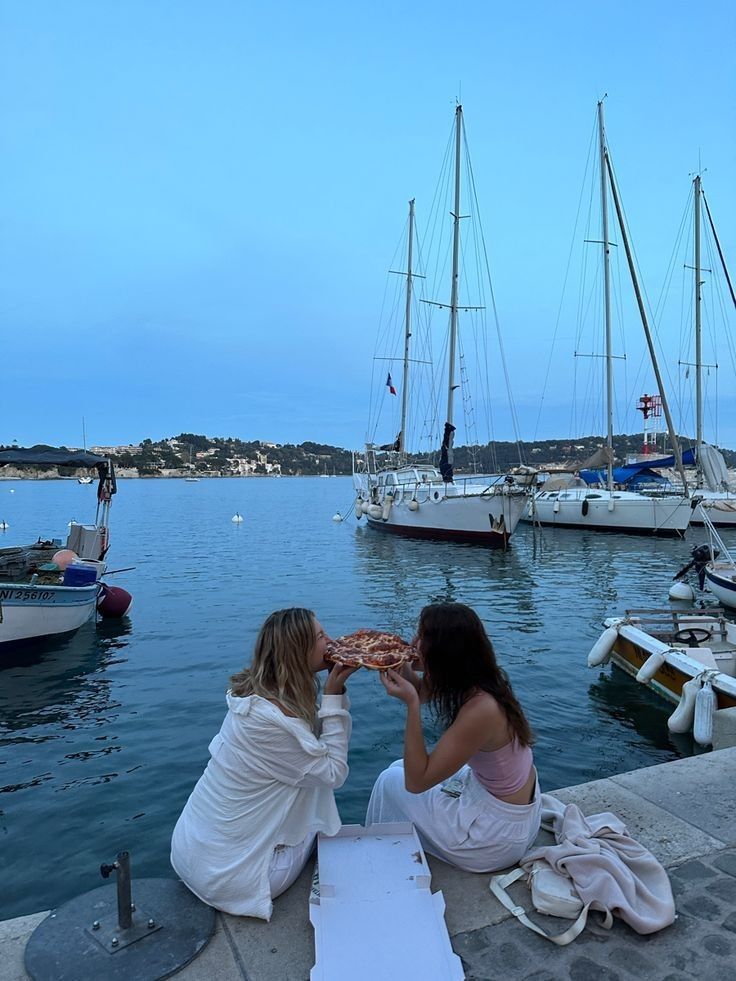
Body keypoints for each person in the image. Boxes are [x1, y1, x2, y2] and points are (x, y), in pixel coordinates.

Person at [170, 608, 356, 919]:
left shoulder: (255, 696)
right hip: (233, 879)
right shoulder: (271, 725)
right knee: (318, 787)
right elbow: (334, 773)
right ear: (299, 652)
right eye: (321, 637)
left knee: (308, 770)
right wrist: (334, 695)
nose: (332, 641)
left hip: (191, 854)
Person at [366, 602, 540, 872]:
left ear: (443, 649)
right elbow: (425, 692)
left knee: (391, 781)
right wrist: (403, 666)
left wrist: (411, 706)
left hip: (495, 839)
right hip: (512, 814)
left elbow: (416, 782)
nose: (413, 643)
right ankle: (392, 845)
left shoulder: (481, 709)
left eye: (421, 637)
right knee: (396, 768)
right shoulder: (479, 680)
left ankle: (381, 855)